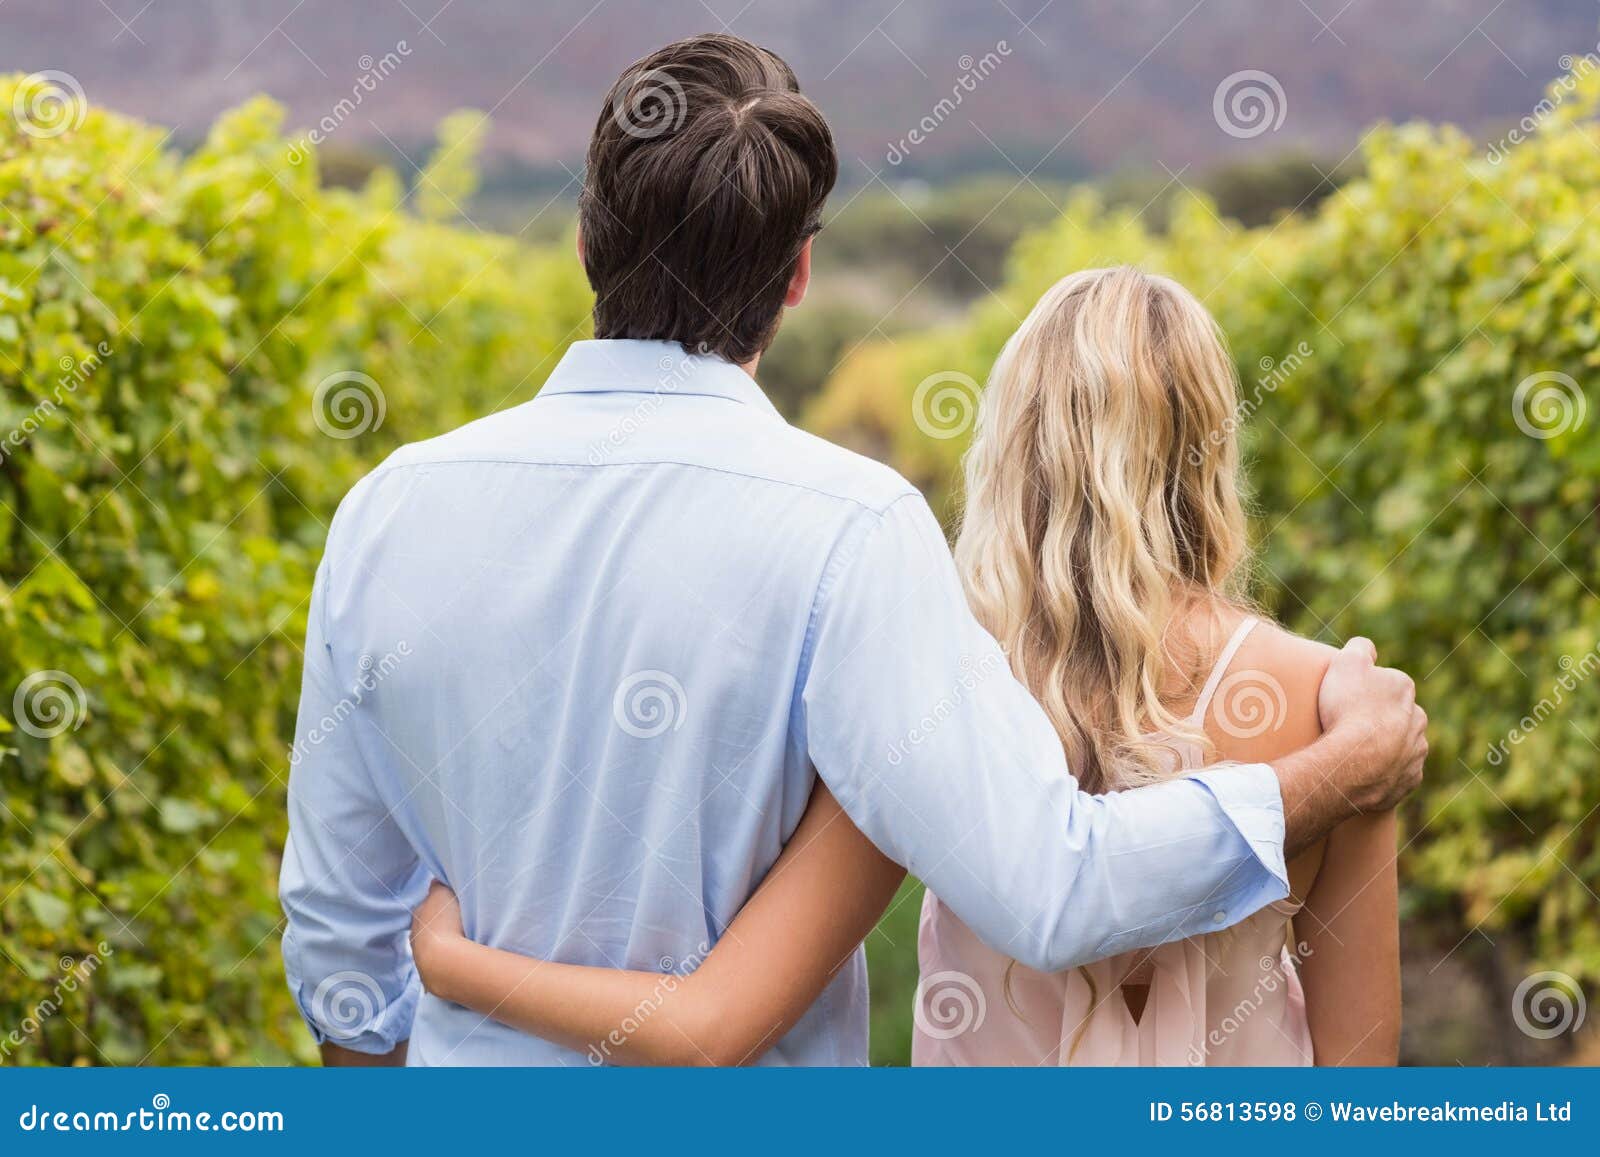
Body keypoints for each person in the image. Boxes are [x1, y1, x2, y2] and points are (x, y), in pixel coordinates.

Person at [281, 34, 1425, 1067]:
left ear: (586, 240)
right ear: (797, 277)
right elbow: (1049, 887)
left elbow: (345, 944)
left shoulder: (385, 510)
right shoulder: (850, 528)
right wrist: (1332, 774)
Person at [406, 268, 1405, 1067]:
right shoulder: (1341, 717)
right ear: (1210, 449)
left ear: (1009, 446)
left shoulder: (930, 689)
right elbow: (1360, 1076)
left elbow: (710, 1022)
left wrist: (452, 963)